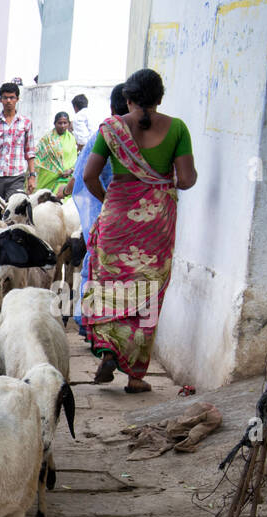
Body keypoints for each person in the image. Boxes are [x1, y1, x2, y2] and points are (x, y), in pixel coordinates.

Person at [81, 68, 197, 393]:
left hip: (116, 220)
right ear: (160, 99)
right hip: (156, 224)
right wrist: (163, 179)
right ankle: (135, 376)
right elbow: (186, 180)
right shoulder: (177, 129)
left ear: (128, 99)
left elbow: (90, 175)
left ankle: (108, 352)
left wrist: (111, 204)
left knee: (110, 289)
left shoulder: (112, 129)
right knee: (147, 296)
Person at [70, 84, 127, 333]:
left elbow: (84, 176)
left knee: (95, 265)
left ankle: (88, 320)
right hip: (134, 216)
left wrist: (106, 203)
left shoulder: (103, 134)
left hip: (102, 211)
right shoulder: (148, 137)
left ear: (112, 107)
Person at [0, 81, 36, 199]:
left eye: (12, 97)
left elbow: (30, 152)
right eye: (5, 98)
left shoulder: (26, 123)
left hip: (17, 175)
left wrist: (32, 176)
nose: (8, 101)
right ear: (0, 100)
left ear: (17, 99)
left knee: (14, 209)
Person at [34, 111, 79, 196]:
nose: (62, 126)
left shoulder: (71, 139)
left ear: (69, 124)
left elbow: (74, 158)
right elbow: (38, 158)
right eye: (60, 123)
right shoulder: (47, 139)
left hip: (67, 178)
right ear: (54, 124)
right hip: (49, 178)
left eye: (65, 123)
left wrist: (71, 170)